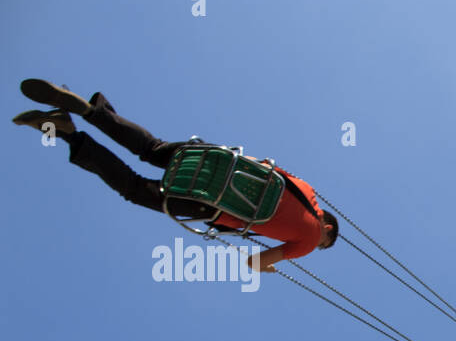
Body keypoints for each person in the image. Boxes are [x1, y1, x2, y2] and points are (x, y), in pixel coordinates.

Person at [13, 79, 338, 271]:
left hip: (217, 159)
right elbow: (255, 262)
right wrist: (264, 265)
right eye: (325, 241)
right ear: (326, 228)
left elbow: (265, 166)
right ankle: (69, 134)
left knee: (152, 148)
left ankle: (89, 111)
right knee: (135, 188)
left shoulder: (306, 187)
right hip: (212, 203)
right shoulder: (307, 242)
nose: (319, 245)